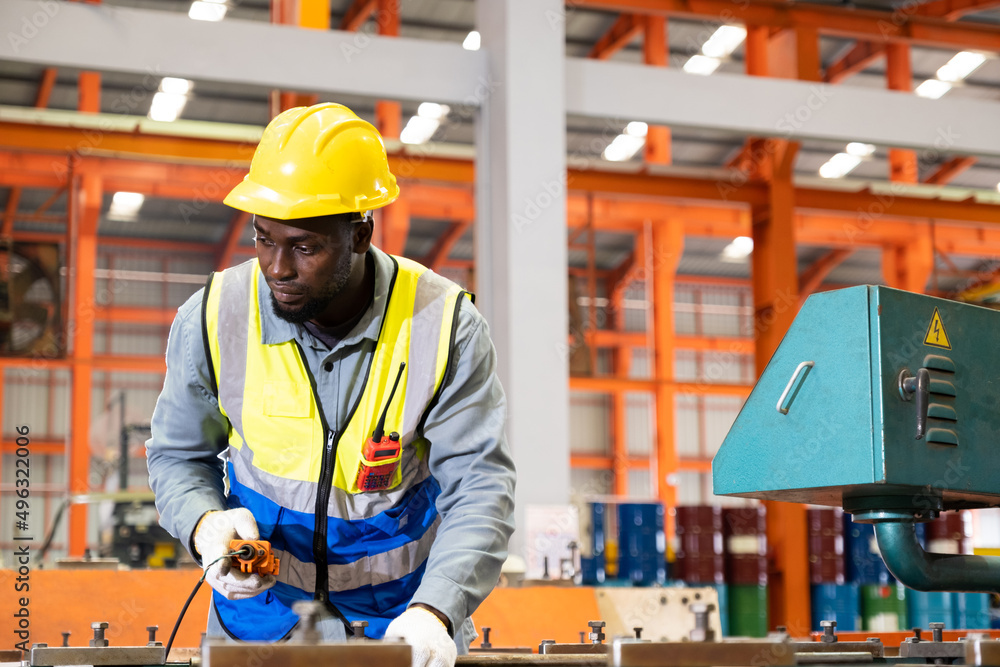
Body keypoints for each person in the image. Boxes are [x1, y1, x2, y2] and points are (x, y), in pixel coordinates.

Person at [146, 103, 516, 666]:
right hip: (260, 631)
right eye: (264, 239)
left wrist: (436, 611)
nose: (277, 268)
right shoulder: (214, 317)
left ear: (360, 234)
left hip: (400, 628)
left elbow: (481, 487)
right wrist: (204, 524)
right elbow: (177, 455)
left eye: (304, 246)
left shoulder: (444, 327)